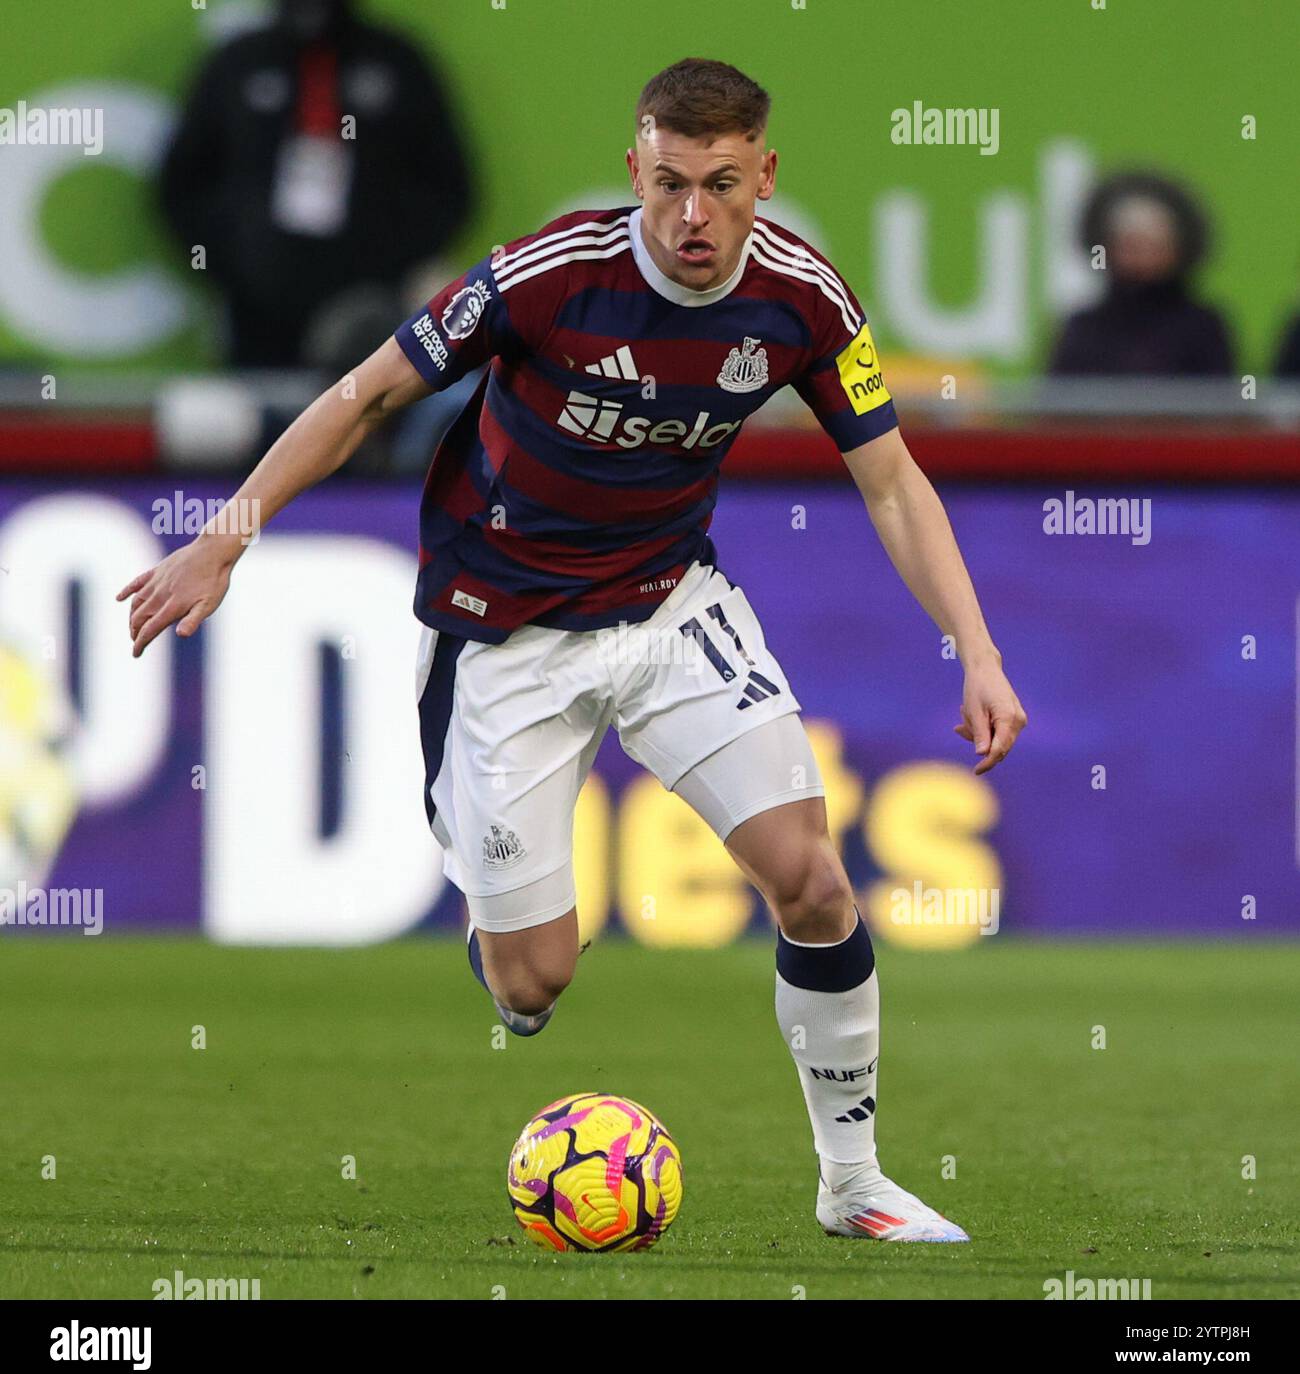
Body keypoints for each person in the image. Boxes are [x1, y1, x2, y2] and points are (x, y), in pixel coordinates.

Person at [120, 59, 1027, 1243]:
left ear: (764, 174)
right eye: (665, 184)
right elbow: (363, 394)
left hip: (668, 608)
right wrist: (226, 538)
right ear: (634, 168)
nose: (691, 217)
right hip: (505, 636)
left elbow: (895, 485)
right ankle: (499, 933)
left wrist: (976, 648)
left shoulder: (805, 301)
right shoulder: (551, 274)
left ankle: (852, 1184)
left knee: (810, 879)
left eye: (717, 185)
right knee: (531, 983)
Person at [159, 0, 473, 367]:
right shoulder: (238, 64)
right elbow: (181, 186)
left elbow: (450, 188)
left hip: (370, 318)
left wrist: (389, 266)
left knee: (363, 413)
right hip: (258, 317)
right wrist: (238, 265)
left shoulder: (396, 64)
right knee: (265, 420)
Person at [1049, 172, 1233, 376]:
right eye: (1131, 246)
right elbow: (1058, 399)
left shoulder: (1203, 328)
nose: (1142, 258)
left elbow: (1220, 398)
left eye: (1154, 246)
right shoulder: (1084, 329)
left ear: (1177, 251)